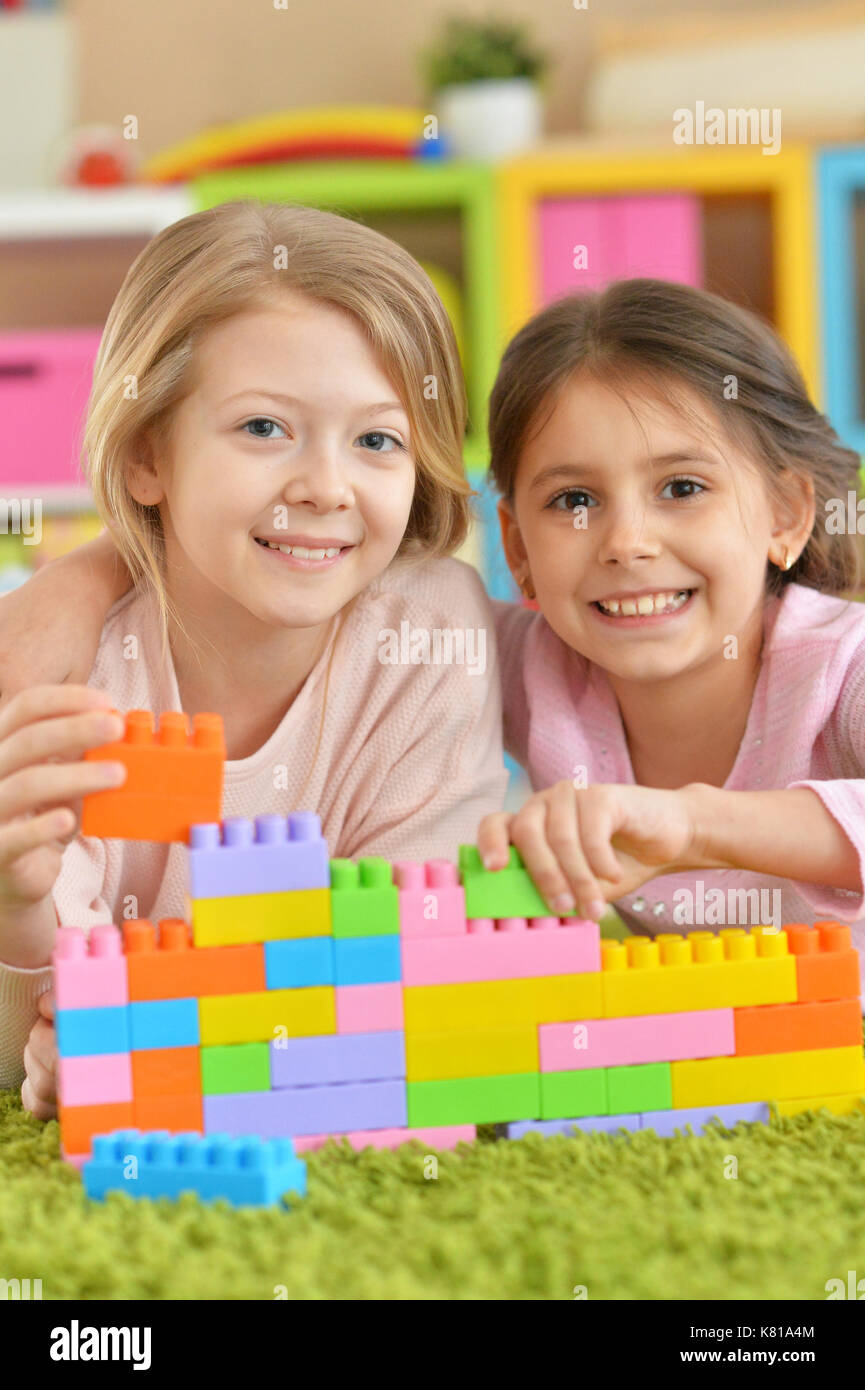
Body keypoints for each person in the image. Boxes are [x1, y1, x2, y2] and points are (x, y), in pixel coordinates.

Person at [0, 200, 506, 1108]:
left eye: (377, 439)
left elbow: (414, 983)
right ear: (148, 454)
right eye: (264, 428)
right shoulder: (63, 673)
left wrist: (166, 1053)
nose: (323, 487)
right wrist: (20, 916)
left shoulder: (430, 633)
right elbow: (40, 1040)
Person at [478, 280, 865, 994]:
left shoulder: (843, 664)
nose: (626, 543)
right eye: (573, 501)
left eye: (681, 488)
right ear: (517, 545)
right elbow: (381, 610)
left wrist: (689, 823)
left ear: (784, 514)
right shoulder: (525, 663)